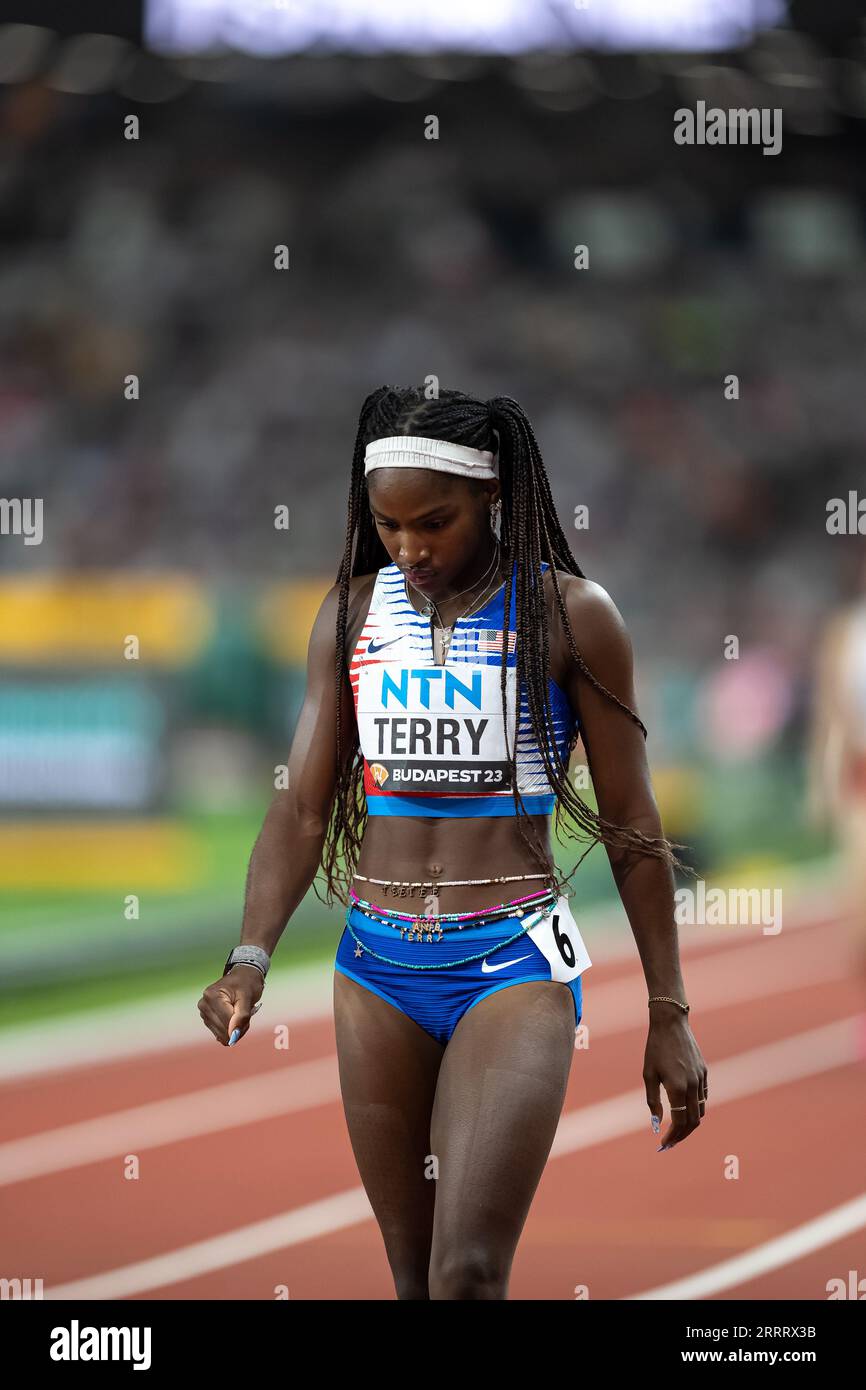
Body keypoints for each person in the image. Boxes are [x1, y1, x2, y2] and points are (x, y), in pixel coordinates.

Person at [198, 385, 708, 1300]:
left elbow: (633, 827)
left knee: (467, 1273)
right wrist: (249, 957)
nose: (410, 549)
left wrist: (669, 1012)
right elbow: (301, 812)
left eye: (434, 521)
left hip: (510, 961)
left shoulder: (569, 615)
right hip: (376, 966)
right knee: (410, 1278)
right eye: (387, 526)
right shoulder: (351, 617)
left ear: (495, 497)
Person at [807, 552, 866, 1057]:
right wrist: (821, 780)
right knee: (862, 908)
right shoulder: (846, 633)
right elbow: (830, 713)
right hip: (862, 787)